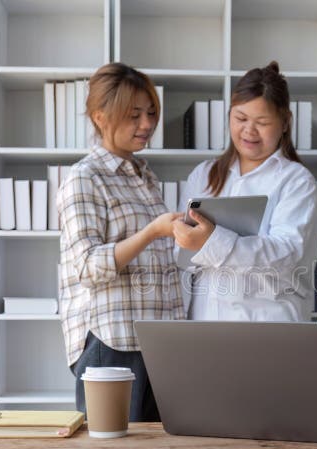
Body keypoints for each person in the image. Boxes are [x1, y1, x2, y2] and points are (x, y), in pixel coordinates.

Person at [57, 63, 185, 422]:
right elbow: (87, 267)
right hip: (112, 342)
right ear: (100, 117)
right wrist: (150, 233)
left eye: (151, 113)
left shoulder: (144, 176)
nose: (146, 125)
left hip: (157, 341)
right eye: (133, 115)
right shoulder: (84, 178)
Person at [172, 61, 317, 321]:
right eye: (240, 118)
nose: (249, 131)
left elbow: (285, 252)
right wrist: (185, 240)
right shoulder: (204, 175)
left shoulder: (296, 180)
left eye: (262, 122)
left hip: (268, 325)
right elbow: (184, 258)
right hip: (207, 323)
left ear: (285, 123)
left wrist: (212, 241)